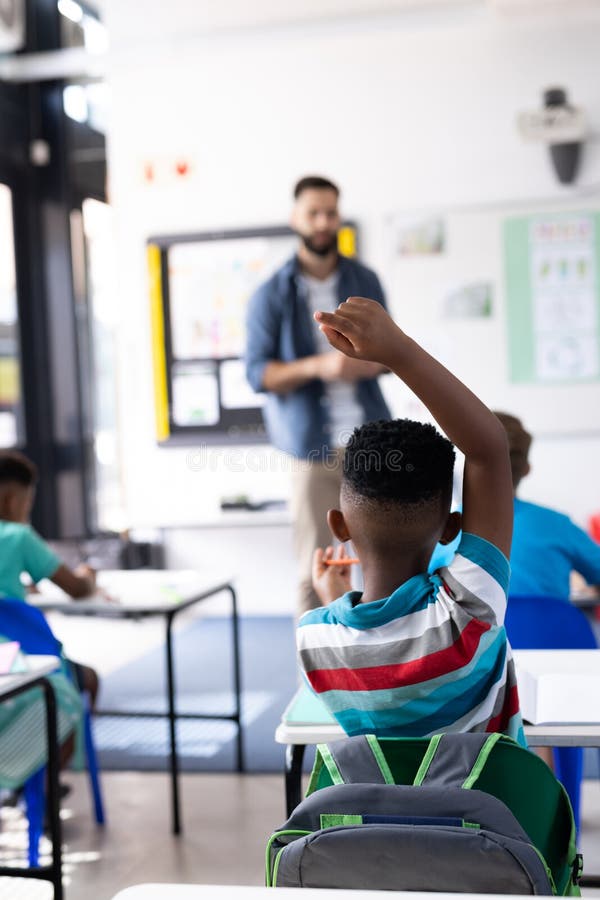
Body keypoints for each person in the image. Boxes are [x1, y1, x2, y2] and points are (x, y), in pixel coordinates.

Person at [297, 296, 525, 745]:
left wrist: (334, 603)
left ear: (339, 526)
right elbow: (489, 450)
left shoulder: (316, 641)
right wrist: (398, 350)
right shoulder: (470, 610)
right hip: (490, 814)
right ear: (450, 527)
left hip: (381, 818)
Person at [245, 175, 391, 615]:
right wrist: (320, 366)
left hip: (372, 441)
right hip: (311, 450)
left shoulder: (365, 279)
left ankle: (382, 667)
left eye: (331, 212)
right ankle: (314, 678)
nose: (323, 222)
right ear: (296, 218)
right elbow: (257, 373)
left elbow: (391, 355)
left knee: (385, 563)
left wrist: (359, 363)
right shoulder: (270, 293)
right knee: (316, 567)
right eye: (314, 213)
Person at [0, 450, 99, 710]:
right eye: (28, 502)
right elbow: (76, 588)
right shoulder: (18, 535)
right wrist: (89, 575)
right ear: (10, 501)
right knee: (89, 678)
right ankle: (76, 740)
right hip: (17, 658)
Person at [493, 412, 600, 601]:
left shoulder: (445, 529)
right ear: (526, 469)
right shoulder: (557, 525)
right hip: (552, 629)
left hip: (472, 631)